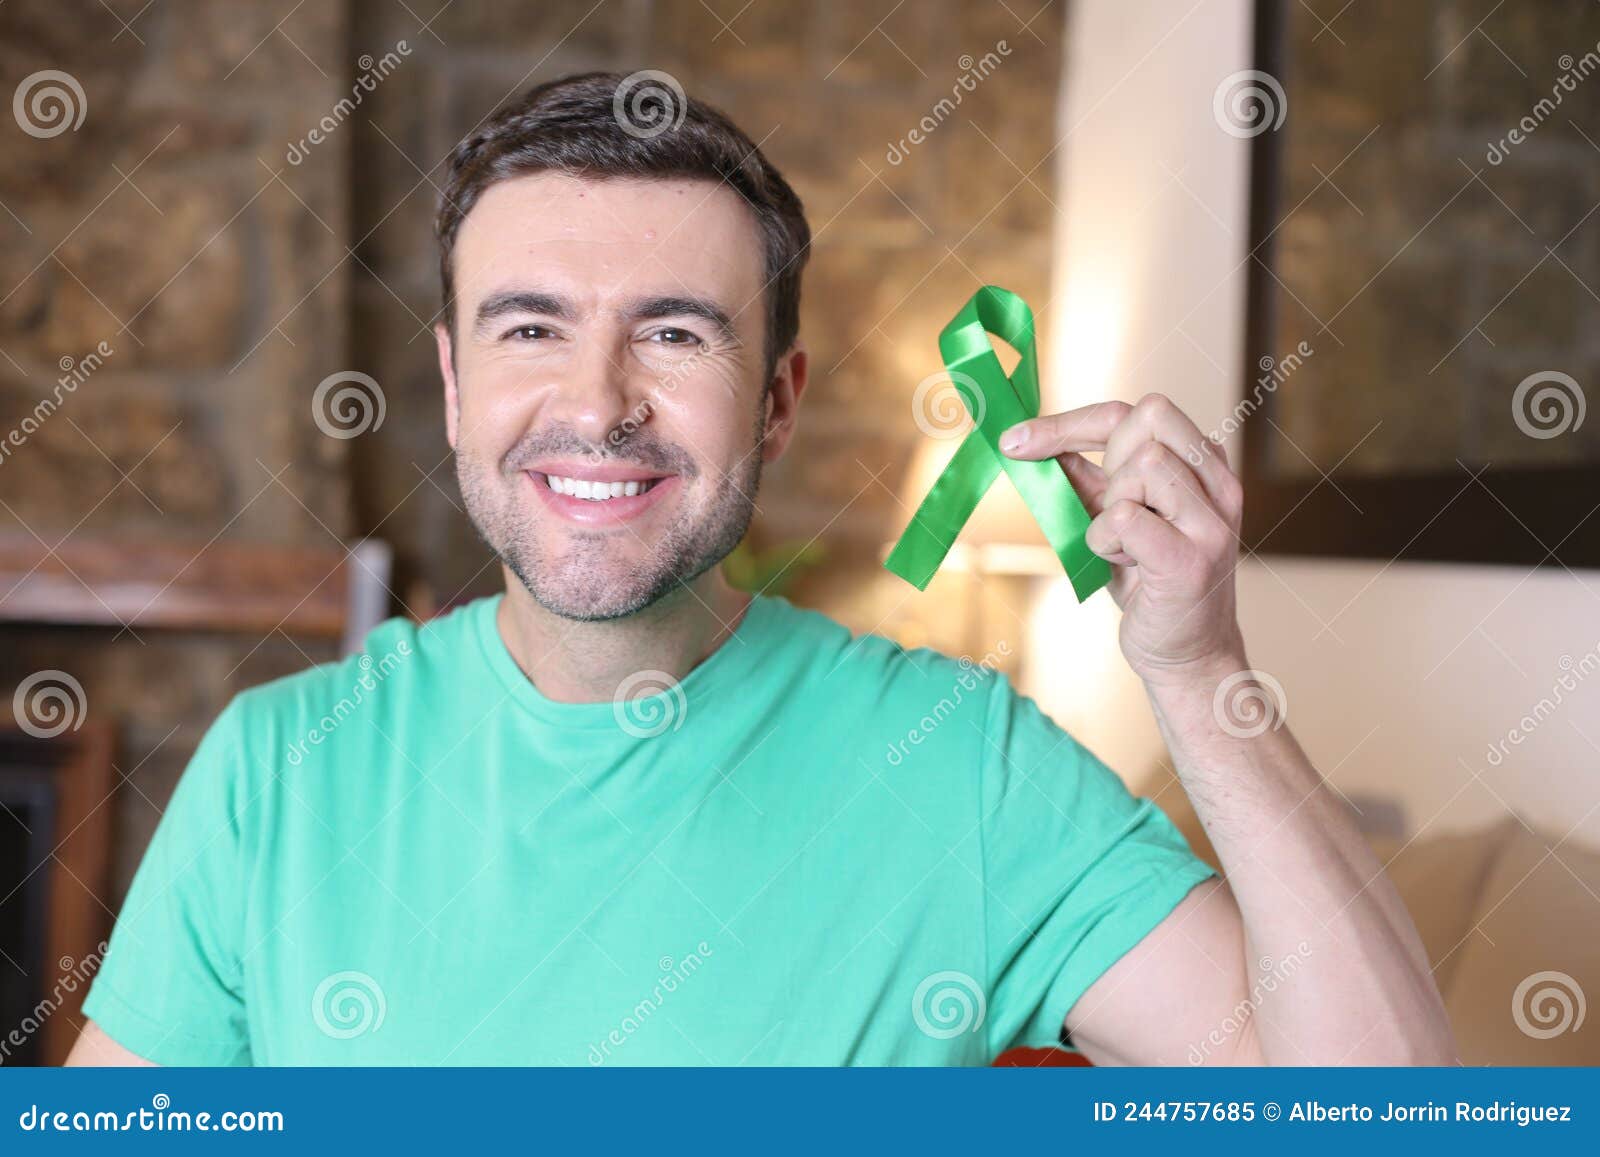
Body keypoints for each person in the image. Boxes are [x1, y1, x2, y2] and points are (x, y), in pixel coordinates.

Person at [68, 72, 1452, 1066]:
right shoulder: (276, 770)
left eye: (674, 334)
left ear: (779, 399)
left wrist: (1199, 667)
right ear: (449, 380)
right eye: (531, 328)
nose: (598, 404)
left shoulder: (960, 763)